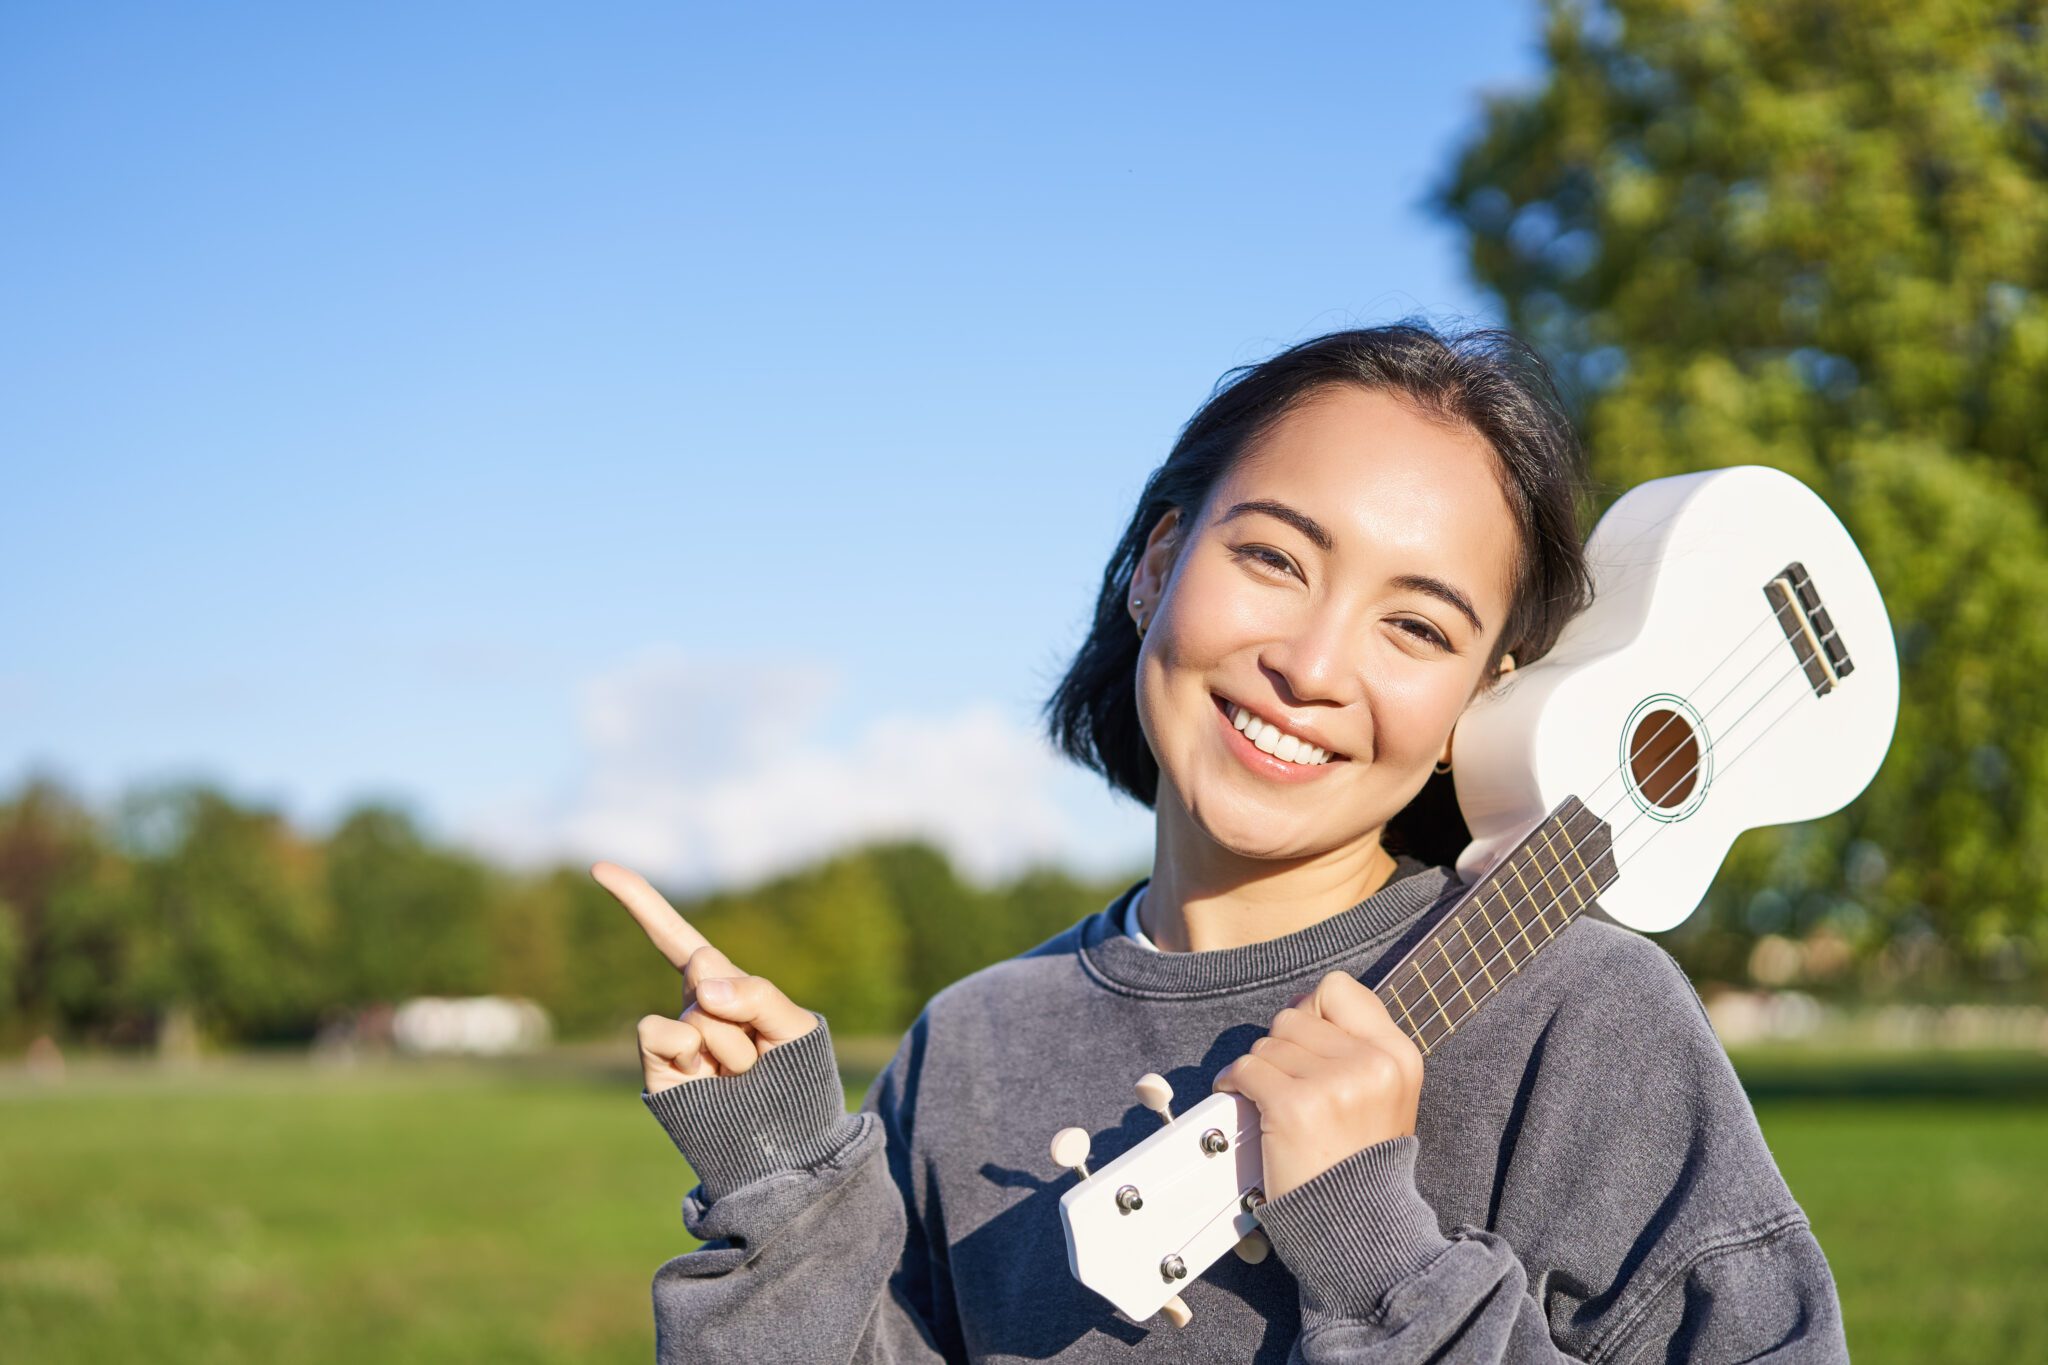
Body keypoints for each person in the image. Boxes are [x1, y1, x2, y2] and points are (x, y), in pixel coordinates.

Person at [596, 323, 1852, 1363]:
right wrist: (782, 1195)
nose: (1310, 665)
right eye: (1271, 558)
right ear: (1157, 565)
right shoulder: (969, 1041)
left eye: (1415, 628)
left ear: (1481, 696)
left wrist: (1381, 1259)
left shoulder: (1585, 1020)